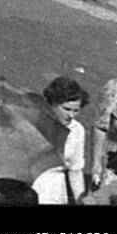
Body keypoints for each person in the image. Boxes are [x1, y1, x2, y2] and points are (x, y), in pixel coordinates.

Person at [31, 76, 89, 205]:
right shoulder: (33, 123)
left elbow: (75, 170)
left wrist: (81, 200)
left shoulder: (77, 130)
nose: (71, 115)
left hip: (56, 191)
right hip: (31, 189)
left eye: (76, 110)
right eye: (66, 109)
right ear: (52, 104)